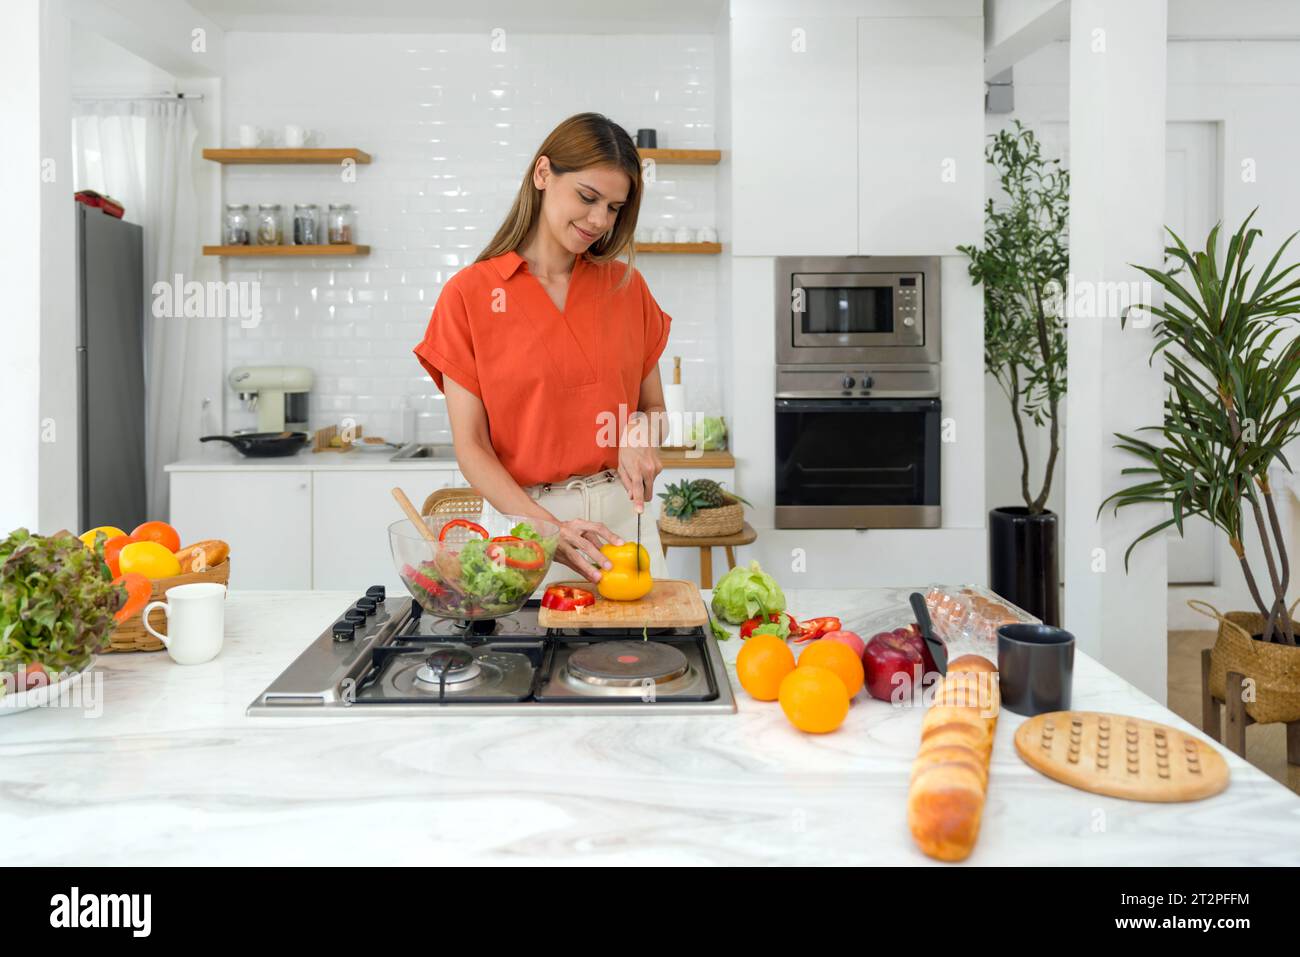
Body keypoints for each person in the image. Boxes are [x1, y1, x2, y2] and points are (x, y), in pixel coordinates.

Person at [414, 112, 672, 587]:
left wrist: (640, 432)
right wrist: (548, 530)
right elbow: (471, 447)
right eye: (588, 197)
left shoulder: (627, 288)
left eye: (614, 208)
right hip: (526, 532)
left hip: (624, 528)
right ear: (543, 174)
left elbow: (653, 407)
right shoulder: (469, 295)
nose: (599, 220)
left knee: (646, 656)